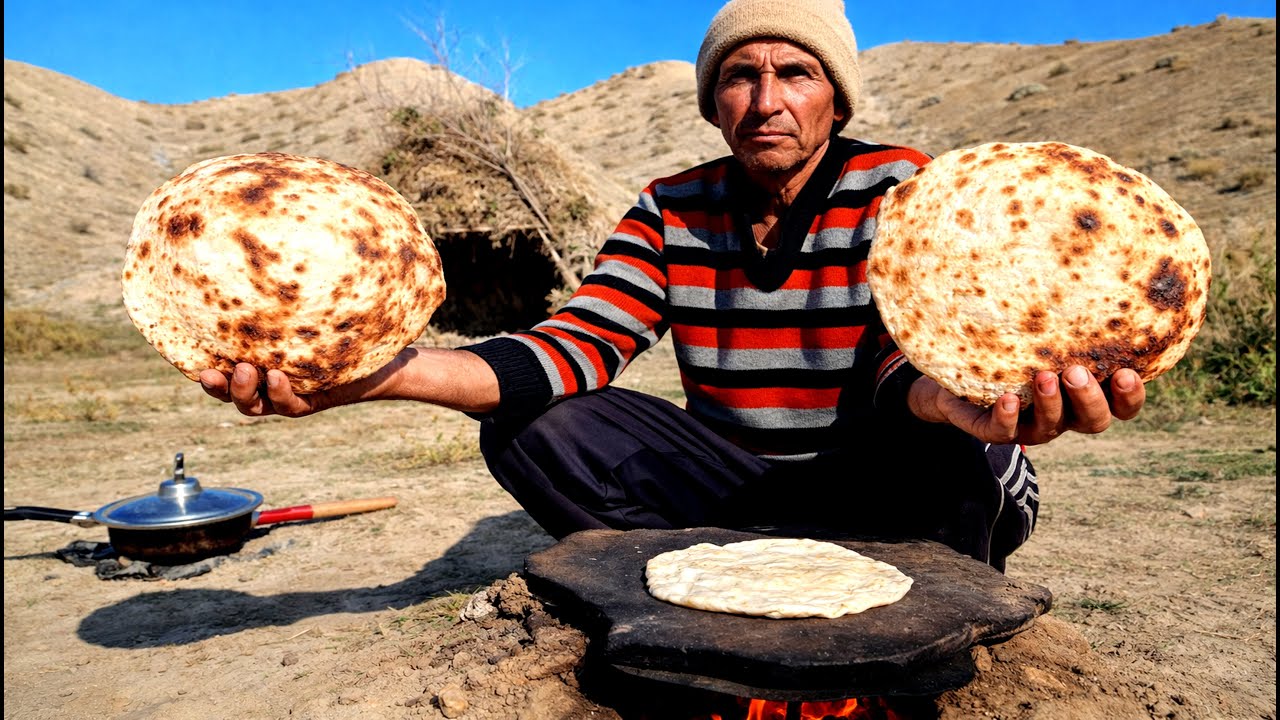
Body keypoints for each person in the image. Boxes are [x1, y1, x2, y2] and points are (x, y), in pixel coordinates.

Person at [199, 0, 1145, 571]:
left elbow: (912, 353)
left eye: (795, 73)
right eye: (739, 75)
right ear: (712, 99)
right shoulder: (672, 206)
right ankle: (722, 578)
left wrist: (950, 400)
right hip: (736, 487)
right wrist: (369, 374)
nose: (766, 100)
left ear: (835, 96)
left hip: (890, 463)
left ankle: (923, 595)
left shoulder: (902, 189)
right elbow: (572, 347)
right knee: (535, 419)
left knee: (934, 445)